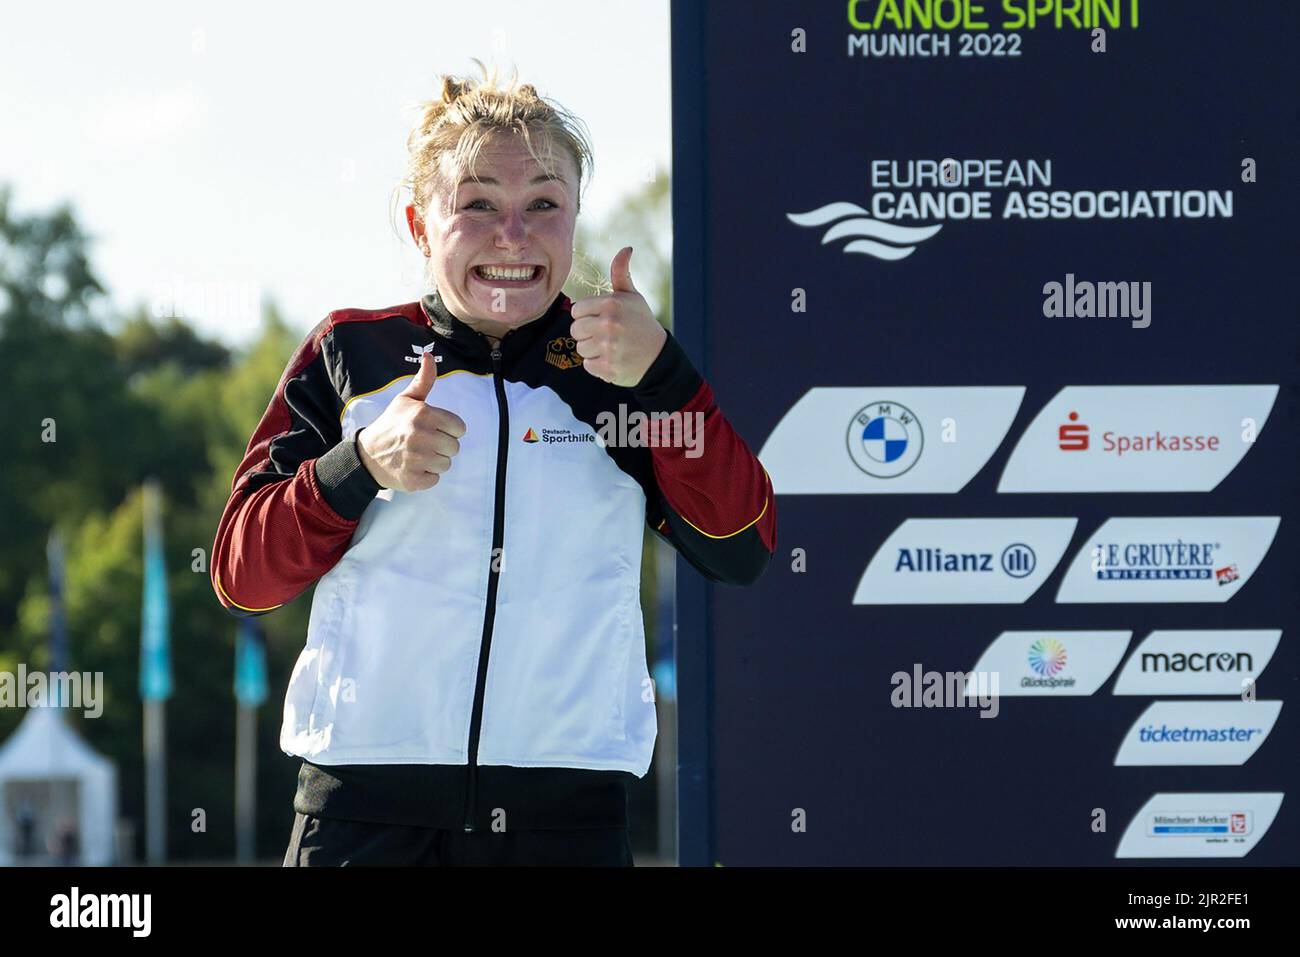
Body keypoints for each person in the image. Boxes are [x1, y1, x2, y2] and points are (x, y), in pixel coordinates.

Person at [210, 62, 776, 866]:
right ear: (419, 223)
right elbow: (243, 574)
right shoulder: (349, 351)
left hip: (566, 821)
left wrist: (667, 379)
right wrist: (360, 464)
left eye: (543, 204)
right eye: (477, 204)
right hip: (362, 815)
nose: (512, 236)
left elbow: (742, 548)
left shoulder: (620, 365)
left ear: (575, 220)